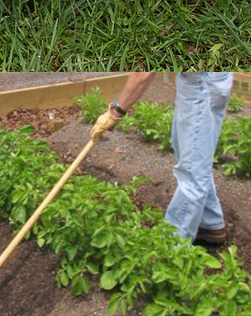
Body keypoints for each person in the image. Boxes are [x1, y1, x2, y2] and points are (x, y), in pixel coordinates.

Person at [95, 71, 233, 246]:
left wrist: (116, 110)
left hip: (201, 84)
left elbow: (144, 72)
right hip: (205, 78)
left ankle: (171, 249)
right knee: (192, 156)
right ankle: (210, 224)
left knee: (192, 169)